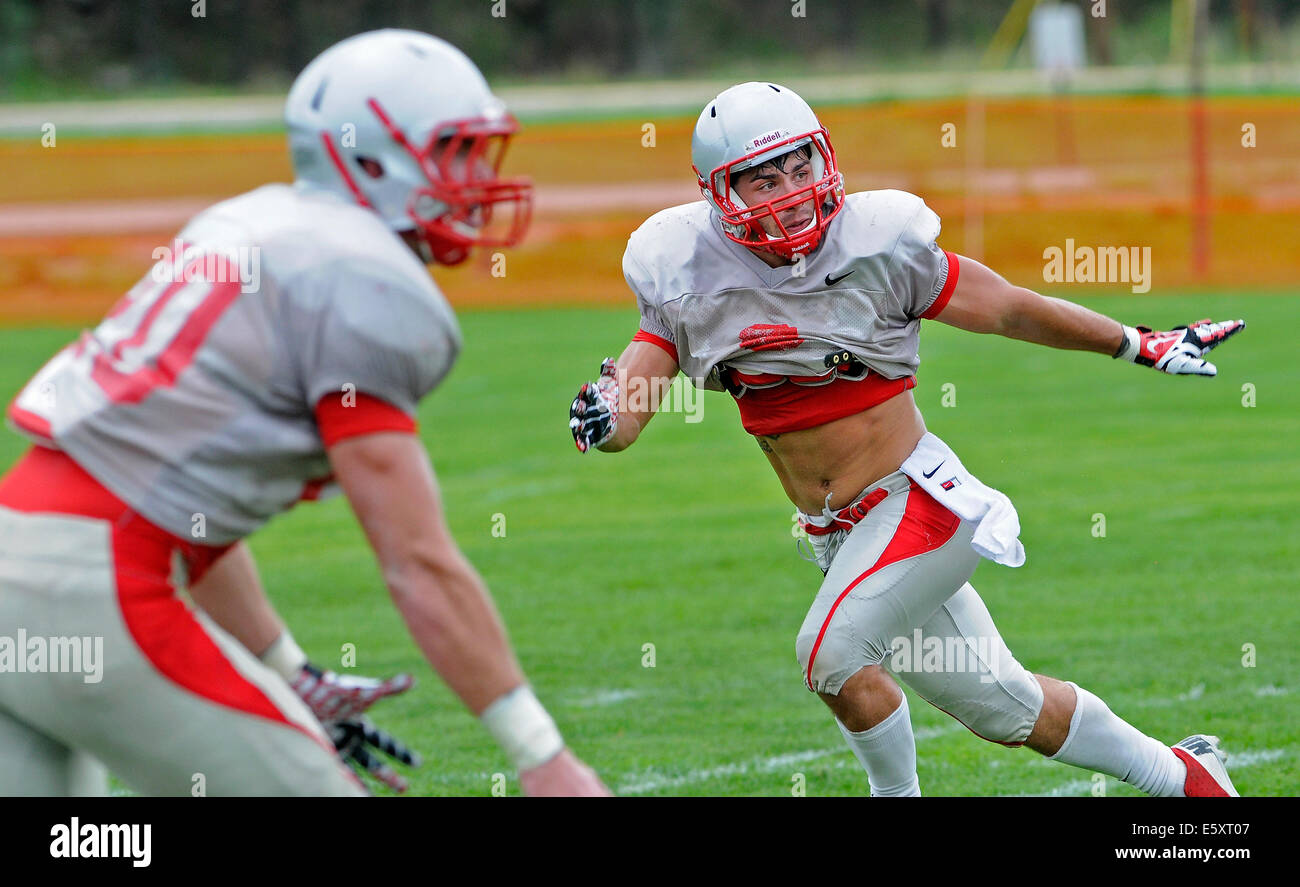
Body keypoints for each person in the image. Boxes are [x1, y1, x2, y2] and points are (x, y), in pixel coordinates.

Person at [569, 81, 1245, 797]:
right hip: (839, 533)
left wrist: (1135, 343)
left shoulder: (879, 246)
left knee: (829, 655)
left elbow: (1012, 309)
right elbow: (631, 409)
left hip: (914, 501)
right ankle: (1185, 777)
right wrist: (606, 416)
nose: (790, 192)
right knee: (1006, 706)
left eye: (799, 167)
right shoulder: (686, 271)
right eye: (763, 179)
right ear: (718, 192)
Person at [0, 29, 607, 797]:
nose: (479, 179)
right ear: (374, 155)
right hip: (95, 585)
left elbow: (188, 513)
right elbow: (417, 563)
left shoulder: (254, 224)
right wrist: (542, 754)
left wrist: (291, 672)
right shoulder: (361, 278)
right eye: (455, 151)